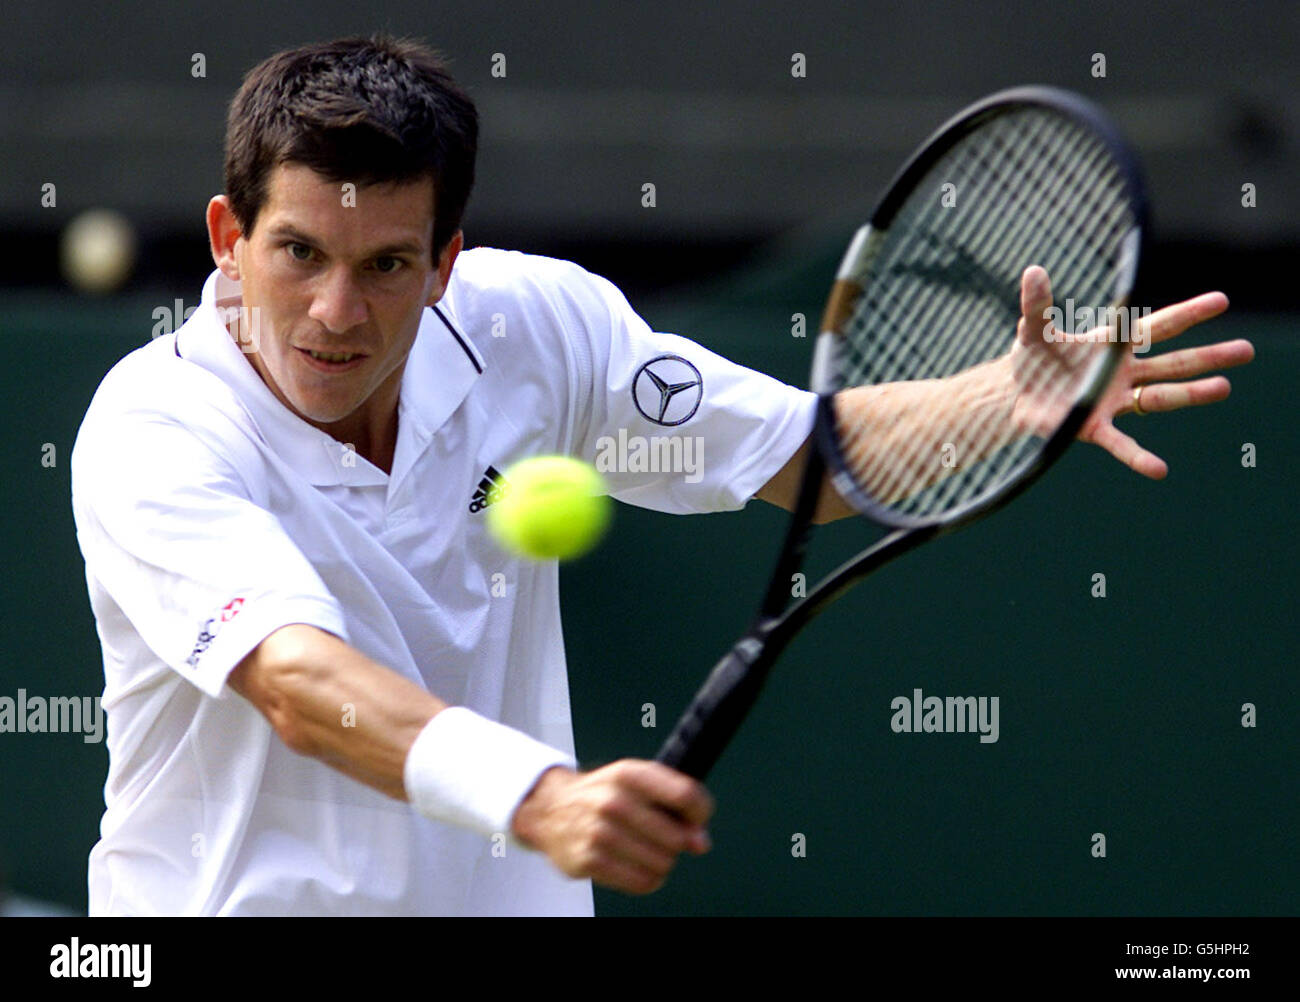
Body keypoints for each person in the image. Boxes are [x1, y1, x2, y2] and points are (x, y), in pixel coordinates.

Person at [70, 34, 1253, 916]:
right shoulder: (158, 429)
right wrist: (538, 797)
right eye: (297, 254)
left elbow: (810, 458)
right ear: (230, 238)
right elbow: (295, 682)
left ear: (445, 263)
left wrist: (1007, 395)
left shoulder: (539, 325)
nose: (336, 311)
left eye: (385, 263)